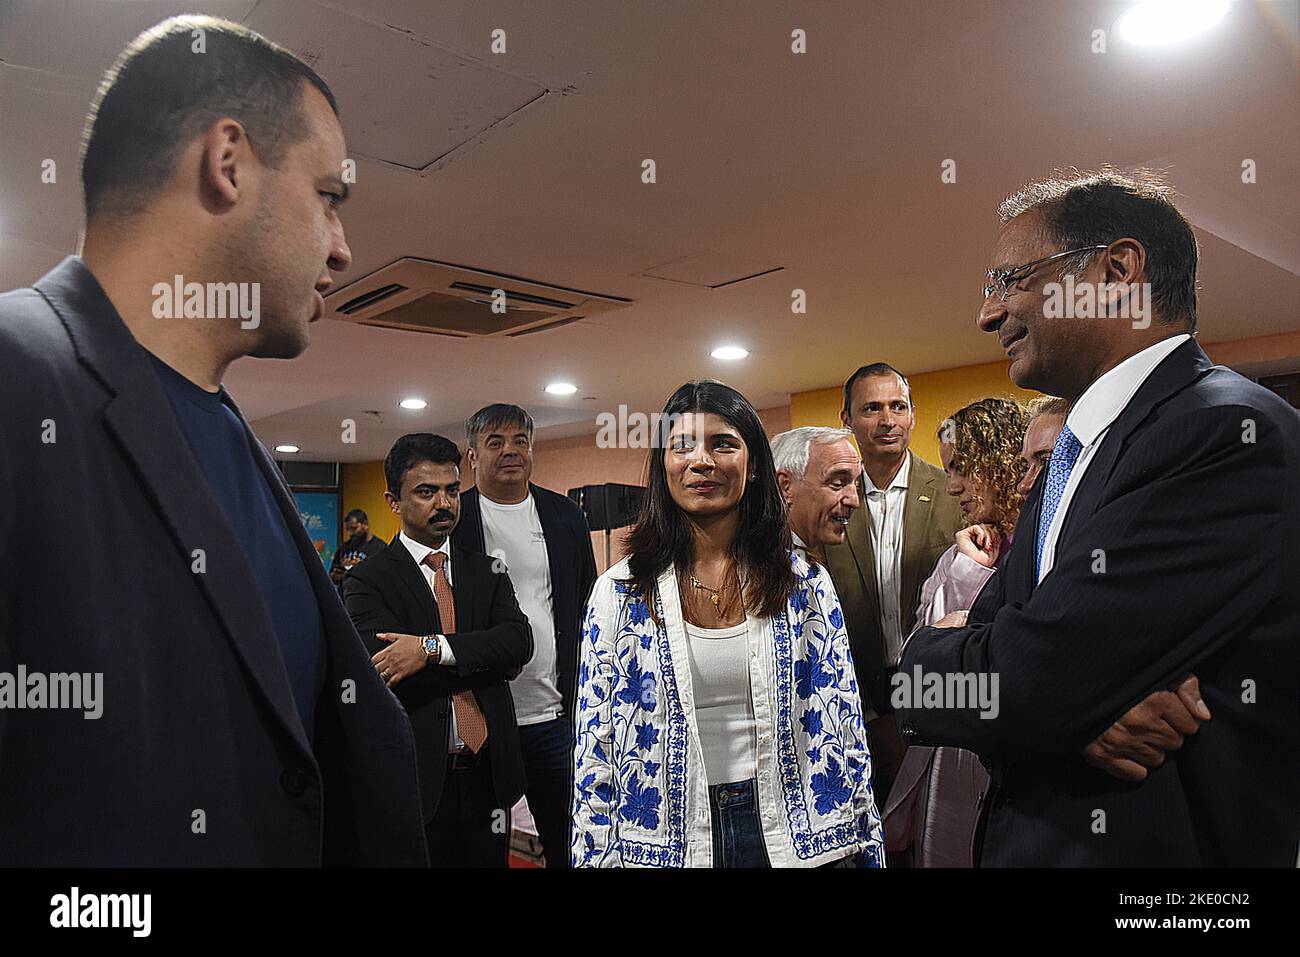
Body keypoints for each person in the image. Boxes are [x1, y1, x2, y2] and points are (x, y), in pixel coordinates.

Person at [0, 15, 426, 865]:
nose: (343, 250)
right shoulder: (17, 380)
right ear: (227, 163)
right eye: (330, 198)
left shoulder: (232, 436)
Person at [899, 168, 1300, 866]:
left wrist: (1018, 686)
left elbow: (1031, 674)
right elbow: (1011, 673)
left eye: (1009, 280)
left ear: (1116, 270)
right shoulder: (1074, 455)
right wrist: (1066, 709)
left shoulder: (1227, 433)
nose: (988, 315)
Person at [571, 381, 884, 868]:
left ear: (753, 463)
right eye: (682, 446)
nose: (701, 461)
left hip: (795, 834)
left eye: (723, 444)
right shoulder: (619, 594)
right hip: (665, 838)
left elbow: (846, 730)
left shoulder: (806, 586)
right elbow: (596, 748)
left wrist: (868, 846)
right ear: (664, 464)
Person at [343, 433, 533, 867]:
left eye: (451, 489)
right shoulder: (367, 580)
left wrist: (429, 649)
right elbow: (388, 671)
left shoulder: (487, 570)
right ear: (394, 501)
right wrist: (481, 658)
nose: (444, 504)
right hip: (416, 780)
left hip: (488, 776)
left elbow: (519, 643)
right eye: (426, 492)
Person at [882, 398, 1029, 866]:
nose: (954, 487)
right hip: (953, 747)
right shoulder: (960, 552)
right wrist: (964, 570)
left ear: (1001, 458)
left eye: (964, 468)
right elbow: (923, 659)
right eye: (949, 471)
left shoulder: (1040, 541)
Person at [453, 403, 598, 868]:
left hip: (554, 715)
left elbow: (586, 605)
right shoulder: (455, 520)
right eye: (495, 443)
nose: (510, 451)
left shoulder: (564, 516)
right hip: (483, 714)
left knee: (569, 841)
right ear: (473, 456)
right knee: (482, 844)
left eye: (520, 441)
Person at [824, 363, 964, 803]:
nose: (887, 420)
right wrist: (867, 715)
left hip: (938, 695)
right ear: (846, 418)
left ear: (912, 414)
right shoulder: (829, 501)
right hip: (850, 704)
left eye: (897, 406)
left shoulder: (951, 492)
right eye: (871, 408)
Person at [771, 426, 863, 566]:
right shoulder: (759, 572)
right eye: (838, 484)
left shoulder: (809, 562)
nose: (854, 501)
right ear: (785, 486)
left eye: (856, 485)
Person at [329, 508, 385, 588]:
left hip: (368, 597)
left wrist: (361, 568)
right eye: (348, 529)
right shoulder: (344, 548)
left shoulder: (380, 548)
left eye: (354, 528)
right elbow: (333, 577)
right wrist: (339, 575)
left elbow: (384, 579)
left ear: (365, 524)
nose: (350, 533)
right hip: (345, 597)